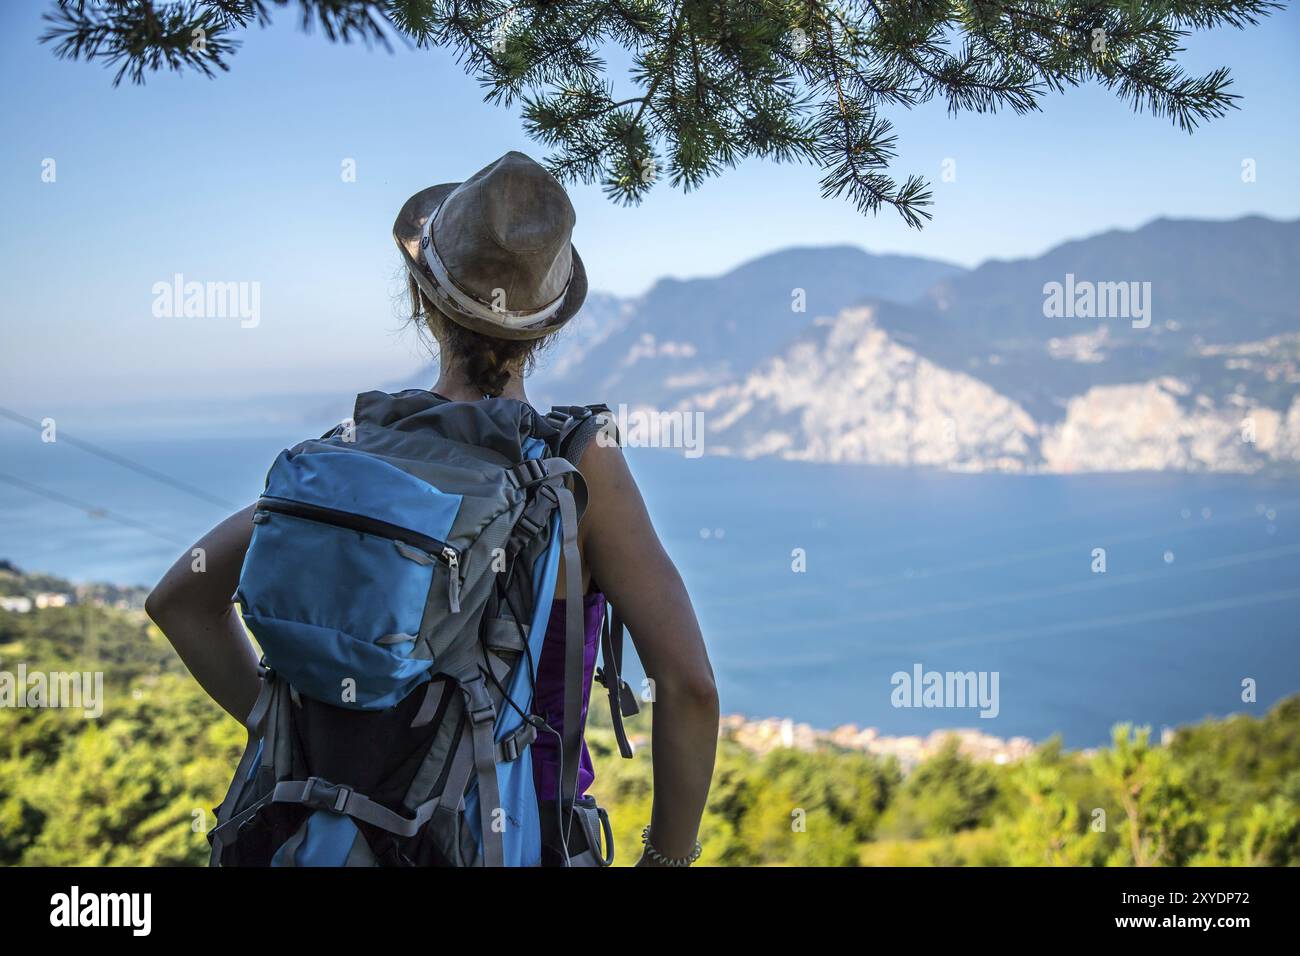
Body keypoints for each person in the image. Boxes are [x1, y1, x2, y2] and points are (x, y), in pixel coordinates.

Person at [146, 150, 719, 867]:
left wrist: (286, 735)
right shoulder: (574, 467)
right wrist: (665, 860)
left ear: (421, 301)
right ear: (547, 327)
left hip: (325, 838)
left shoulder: (348, 454)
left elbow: (181, 601)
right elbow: (690, 687)